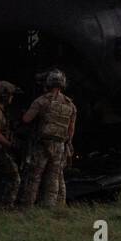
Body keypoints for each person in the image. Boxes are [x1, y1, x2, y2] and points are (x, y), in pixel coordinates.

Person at [18, 68, 76, 208]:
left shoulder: (41, 101)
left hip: (43, 144)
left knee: (34, 176)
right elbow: (71, 129)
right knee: (54, 177)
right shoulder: (70, 105)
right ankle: (50, 208)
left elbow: (26, 119)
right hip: (60, 145)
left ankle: (27, 207)